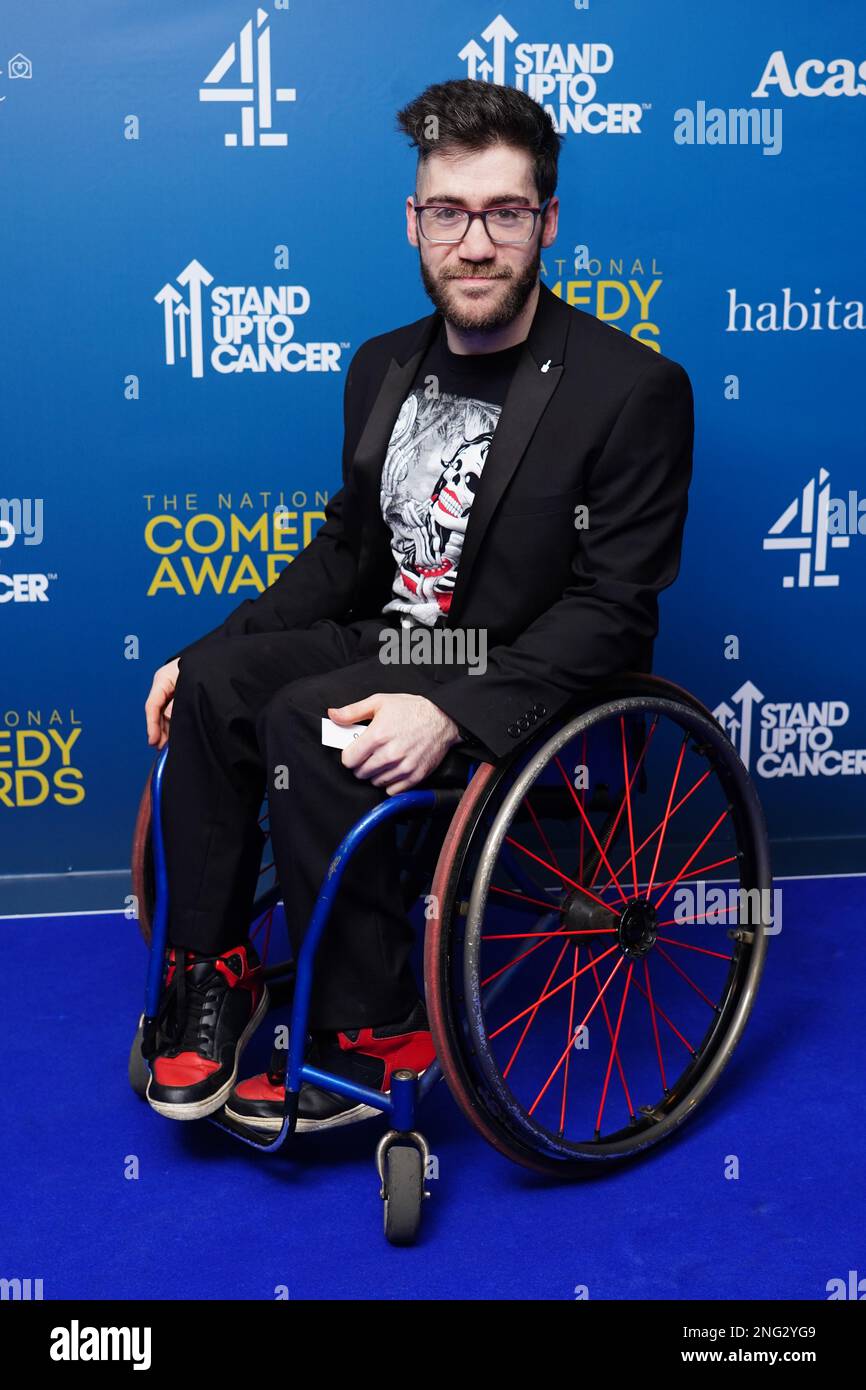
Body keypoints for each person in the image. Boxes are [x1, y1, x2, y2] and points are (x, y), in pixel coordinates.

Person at [141, 77, 694, 1134]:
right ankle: (210, 976)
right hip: (389, 639)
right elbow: (345, 555)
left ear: (547, 221)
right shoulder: (382, 365)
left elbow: (614, 612)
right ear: (414, 221)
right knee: (216, 684)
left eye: (504, 212)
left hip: (514, 667)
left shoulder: (629, 390)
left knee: (313, 721)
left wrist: (454, 711)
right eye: (448, 212)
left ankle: (373, 1023)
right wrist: (207, 645)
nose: (474, 243)